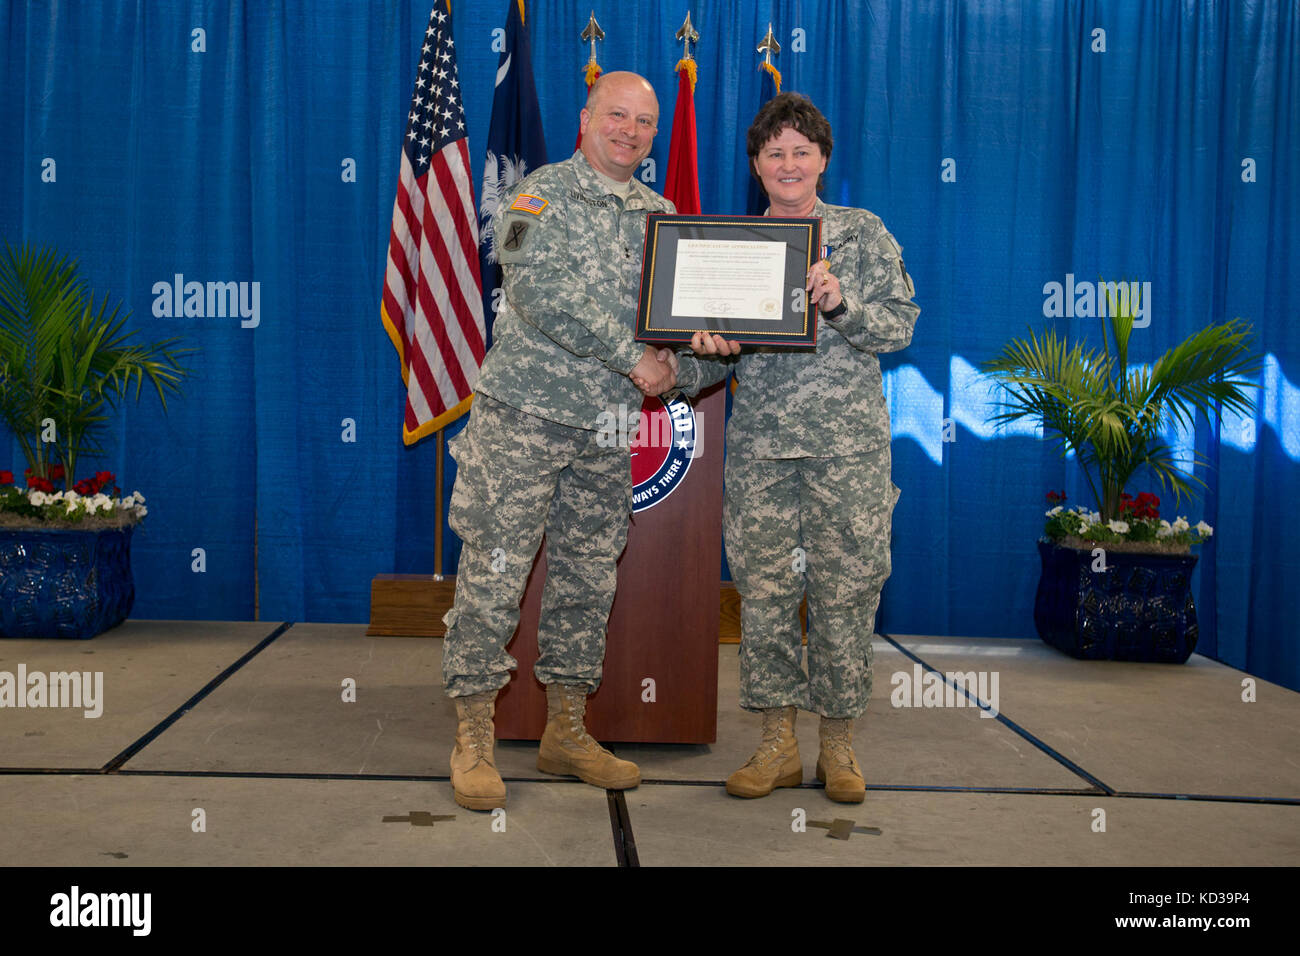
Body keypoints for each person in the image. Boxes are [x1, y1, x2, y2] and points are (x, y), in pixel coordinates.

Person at [441, 72, 680, 811]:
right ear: (585, 118)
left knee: (586, 574)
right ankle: (473, 733)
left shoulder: (663, 216)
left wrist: (694, 352)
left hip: (607, 427)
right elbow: (537, 289)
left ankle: (565, 730)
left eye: (644, 121)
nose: (630, 130)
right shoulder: (539, 194)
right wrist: (633, 355)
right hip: (524, 418)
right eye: (617, 114)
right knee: (495, 569)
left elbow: (671, 326)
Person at [676, 92, 919, 803]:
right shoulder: (731, 249)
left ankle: (837, 748)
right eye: (774, 152)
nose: (788, 164)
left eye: (801, 152)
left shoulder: (861, 233)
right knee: (767, 597)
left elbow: (899, 327)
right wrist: (697, 352)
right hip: (762, 454)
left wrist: (842, 303)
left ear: (823, 161)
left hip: (849, 454)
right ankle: (777, 745)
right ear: (756, 165)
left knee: (845, 595)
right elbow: (713, 361)